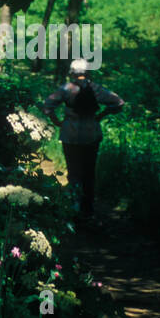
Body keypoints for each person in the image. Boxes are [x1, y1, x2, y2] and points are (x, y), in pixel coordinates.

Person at [44, 59, 125, 222]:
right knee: (89, 172)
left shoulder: (66, 89)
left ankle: (74, 209)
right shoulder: (96, 89)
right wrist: (102, 115)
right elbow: (119, 103)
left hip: (70, 135)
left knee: (73, 172)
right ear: (87, 73)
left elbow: (48, 105)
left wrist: (56, 121)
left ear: (72, 73)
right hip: (91, 135)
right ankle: (88, 210)